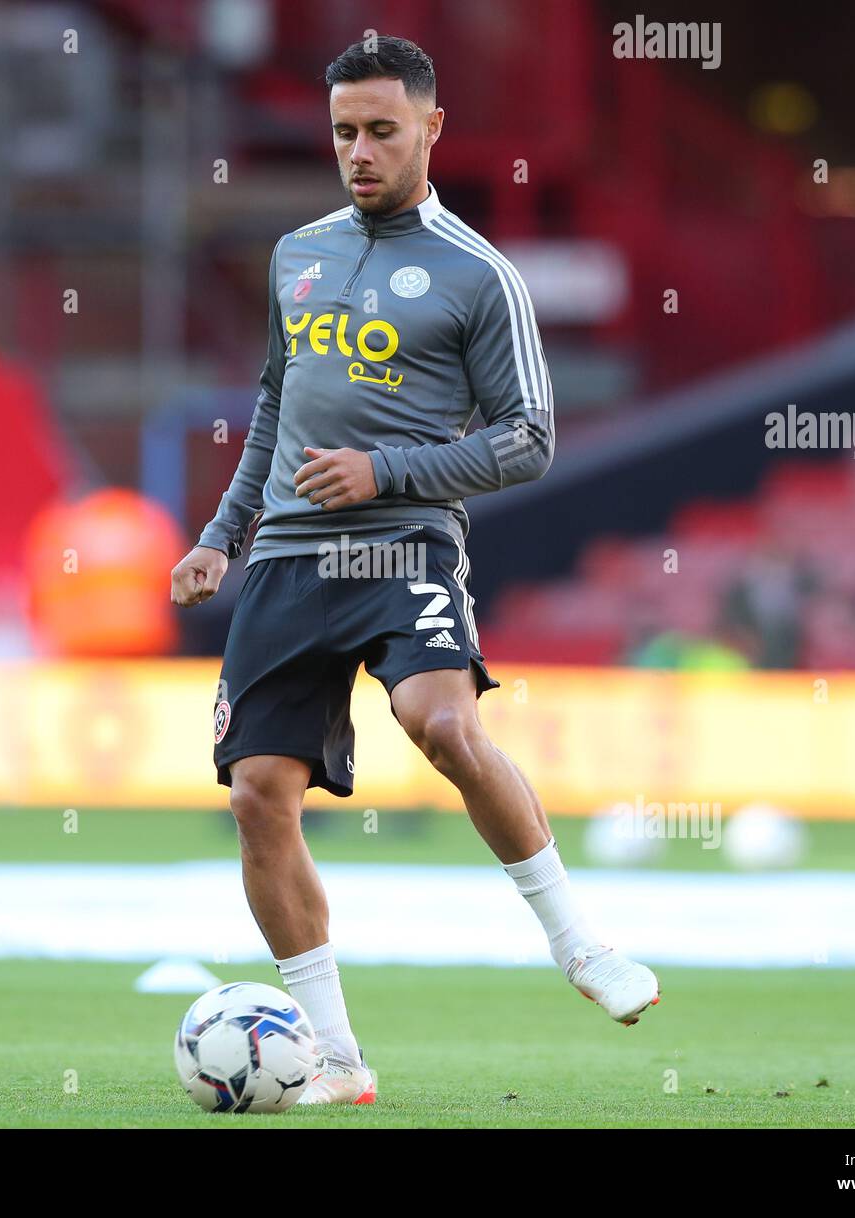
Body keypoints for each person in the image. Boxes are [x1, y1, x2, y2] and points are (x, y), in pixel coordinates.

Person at [170, 36, 659, 1105]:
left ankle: (577, 943)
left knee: (442, 722)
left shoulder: (477, 273)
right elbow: (272, 405)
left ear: (431, 130)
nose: (359, 150)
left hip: (403, 547)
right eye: (343, 130)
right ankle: (338, 1058)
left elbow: (529, 438)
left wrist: (384, 468)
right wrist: (220, 534)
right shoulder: (294, 253)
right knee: (259, 795)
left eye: (381, 130)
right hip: (292, 558)